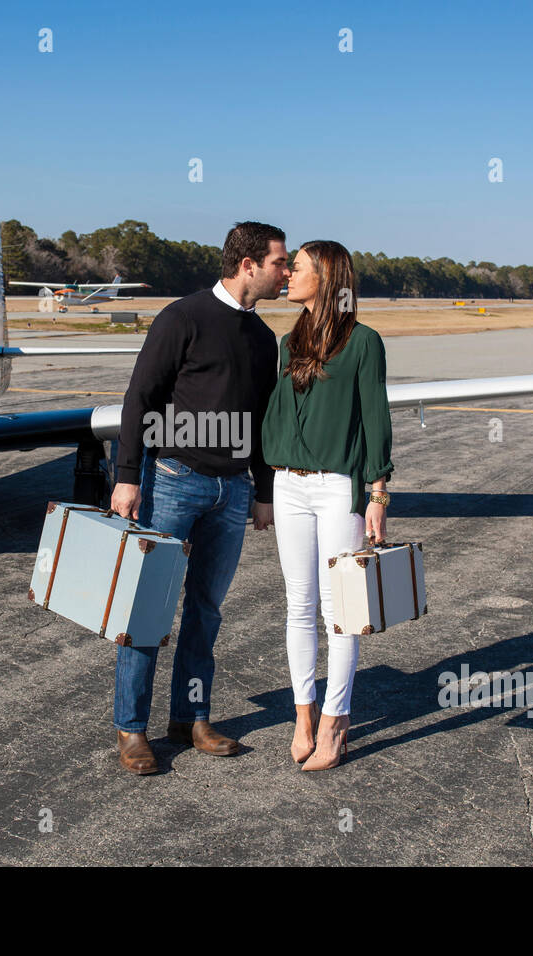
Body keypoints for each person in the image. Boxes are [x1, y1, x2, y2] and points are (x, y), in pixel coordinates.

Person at [108, 222, 290, 775]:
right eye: (280, 262)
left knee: (206, 611)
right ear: (248, 264)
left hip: (232, 492)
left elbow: (261, 422)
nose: (287, 271)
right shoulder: (182, 317)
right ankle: (131, 729)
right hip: (173, 480)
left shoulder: (262, 338)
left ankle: (190, 717)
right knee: (148, 609)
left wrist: (262, 491)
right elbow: (140, 397)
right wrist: (127, 475)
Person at [260, 240, 393, 771]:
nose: (287, 274)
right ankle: (303, 715)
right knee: (298, 605)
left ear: (327, 276)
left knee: (340, 612)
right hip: (288, 486)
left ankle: (337, 724)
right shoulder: (289, 340)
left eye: (297, 268)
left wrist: (377, 495)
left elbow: (377, 422)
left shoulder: (364, 343)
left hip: (339, 487)